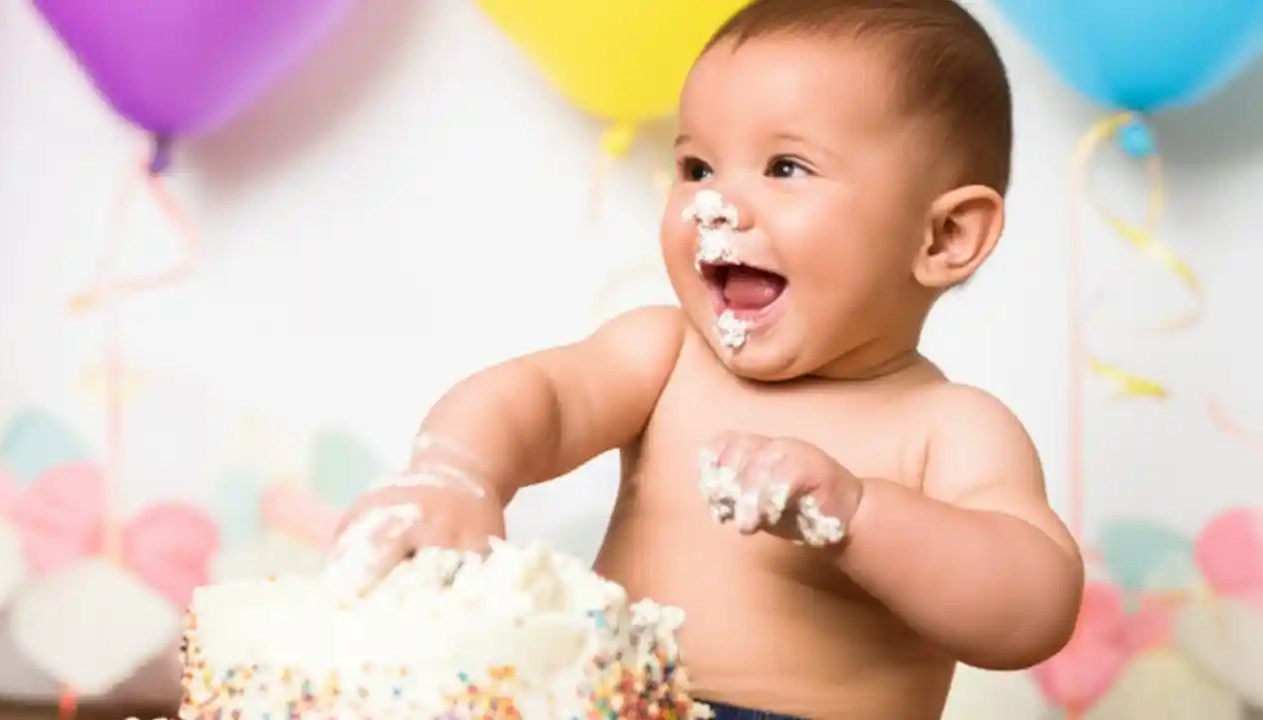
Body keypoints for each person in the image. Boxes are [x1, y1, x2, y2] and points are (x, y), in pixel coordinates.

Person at [326, 1, 1084, 717]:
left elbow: (1030, 610)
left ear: (944, 237)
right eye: (696, 167)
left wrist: (859, 515)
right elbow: (542, 397)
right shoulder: (662, 357)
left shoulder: (947, 426)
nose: (716, 205)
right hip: (610, 701)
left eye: (786, 167)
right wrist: (461, 467)